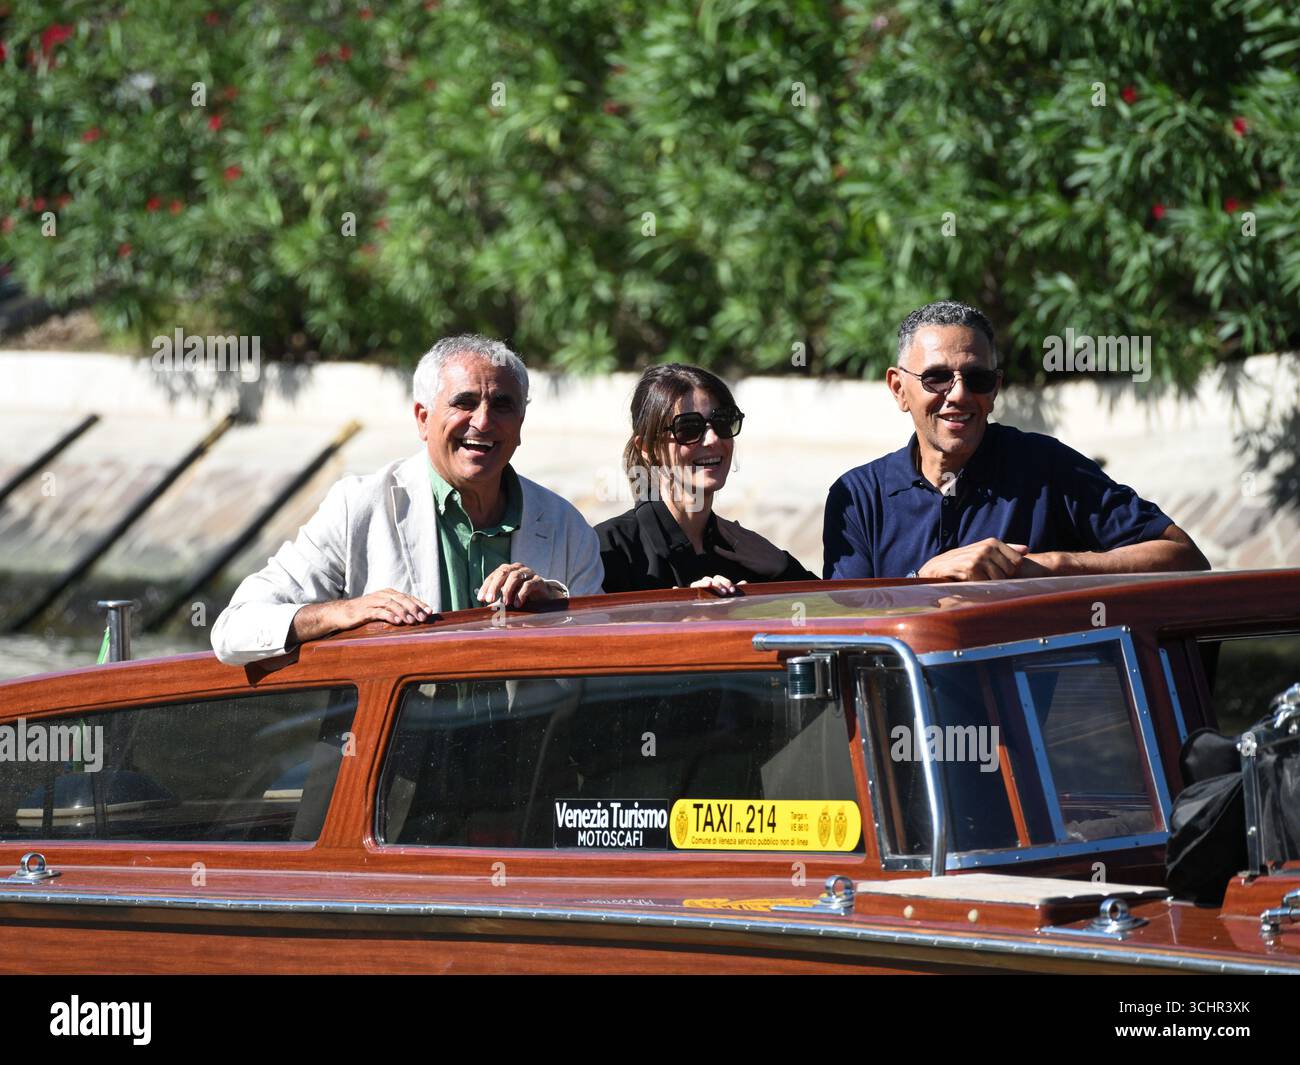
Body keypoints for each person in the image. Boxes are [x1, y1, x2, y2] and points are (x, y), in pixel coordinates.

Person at [211, 334, 603, 665]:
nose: (483, 422)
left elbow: (601, 654)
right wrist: (345, 612)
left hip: (526, 744)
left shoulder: (564, 523)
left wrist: (553, 609)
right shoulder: (359, 506)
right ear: (422, 418)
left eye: (502, 405)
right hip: (395, 747)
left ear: (520, 423)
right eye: (464, 402)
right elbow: (234, 629)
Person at [823, 300, 1210, 580]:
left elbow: (1184, 556)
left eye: (977, 379)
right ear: (898, 388)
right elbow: (847, 630)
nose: (958, 394)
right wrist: (922, 583)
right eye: (936, 378)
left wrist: (1049, 566)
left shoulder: (1047, 467)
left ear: (995, 389)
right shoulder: (858, 496)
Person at [597, 364, 816, 594]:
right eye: (689, 427)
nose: (712, 439)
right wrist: (679, 612)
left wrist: (783, 567)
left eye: (723, 421)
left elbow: (830, 617)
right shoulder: (608, 550)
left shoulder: (748, 553)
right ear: (648, 448)